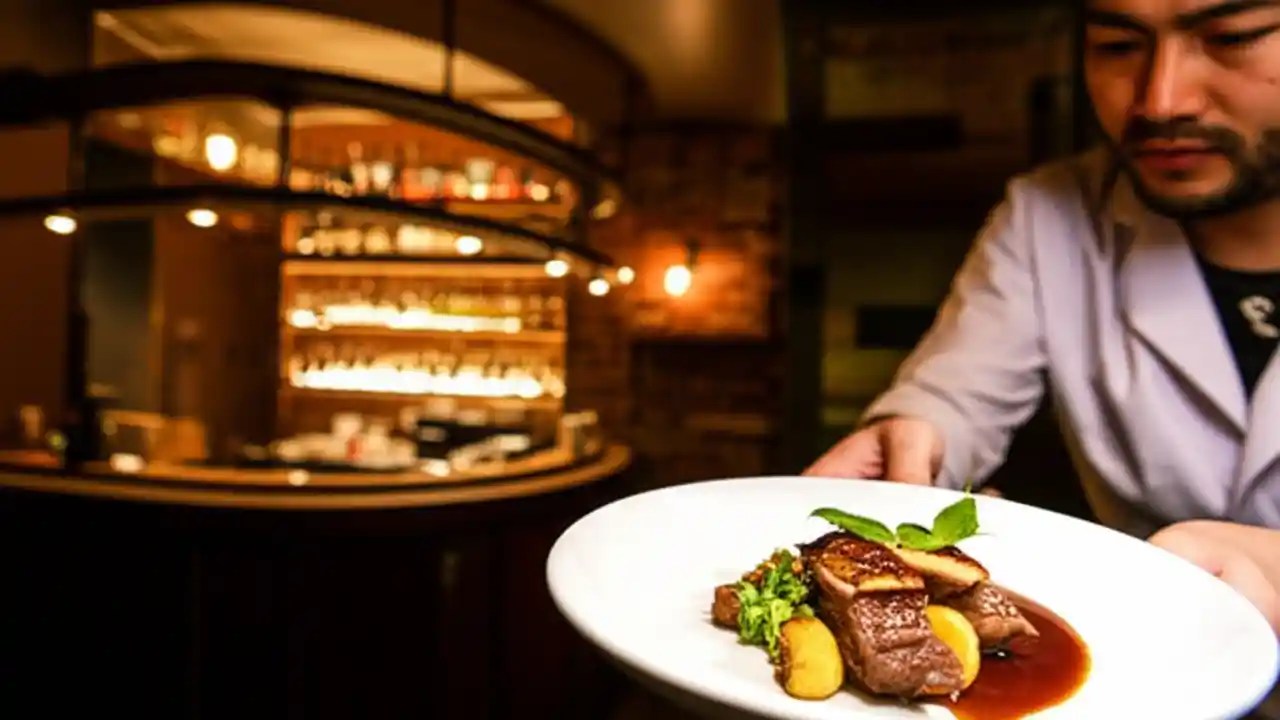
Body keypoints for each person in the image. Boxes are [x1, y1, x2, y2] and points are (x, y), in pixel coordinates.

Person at [805, 0, 1280, 653]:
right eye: (1118, 46)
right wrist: (915, 434)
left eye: (1233, 37)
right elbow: (955, 394)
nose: (1162, 100)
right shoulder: (1049, 215)